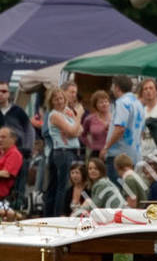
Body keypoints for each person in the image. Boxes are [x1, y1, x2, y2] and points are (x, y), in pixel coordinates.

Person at [44, 86, 82, 216]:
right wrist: (79, 117)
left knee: (57, 185)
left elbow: (79, 131)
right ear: (51, 102)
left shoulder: (67, 112)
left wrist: (73, 128)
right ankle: (58, 214)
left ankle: (51, 214)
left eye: (61, 98)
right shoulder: (54, 115)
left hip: (69, 150)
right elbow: (73, 130)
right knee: (63, 186)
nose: (59, 101)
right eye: (56, 99)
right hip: (63, 151)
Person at [105, 74, 145, 180]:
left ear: (117, 87)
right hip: (135, 154)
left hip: (119, 156)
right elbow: (142, 131)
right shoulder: (138, 104)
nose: (112, 89)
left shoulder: (122, 103)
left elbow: (120, 129)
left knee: (118, 190)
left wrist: (106, 147)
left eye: (113, 86)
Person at [0, 80, 33, 160]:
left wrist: (27, 149)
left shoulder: (18, 110)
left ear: (9, 93)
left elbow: (29, 130)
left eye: (4, 91)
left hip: (18, 152)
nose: (0, 94)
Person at [82, 90, 113, 161]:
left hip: (112, 153)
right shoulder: (90, 119)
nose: (104, 104)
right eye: (101, 102)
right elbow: (82, 134)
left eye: (106, 101)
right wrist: (89, 145)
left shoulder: (115, 118)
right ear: (95, 105)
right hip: (96, 153)